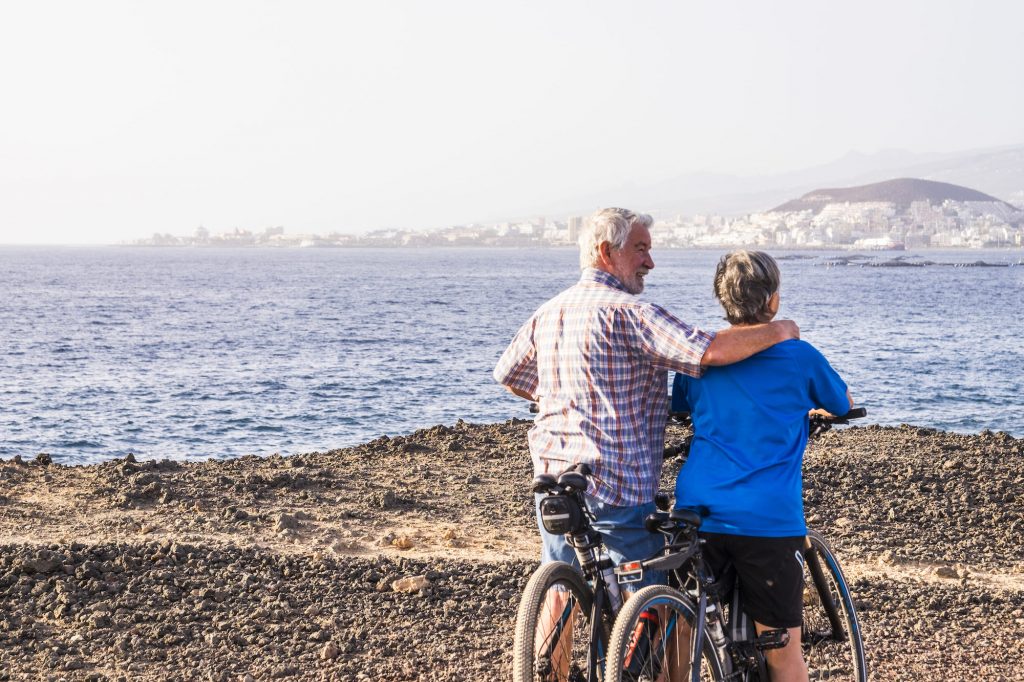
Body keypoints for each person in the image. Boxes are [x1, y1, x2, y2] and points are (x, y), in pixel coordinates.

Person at [493, 208, 800, 589]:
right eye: (640, 249)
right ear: (607, 252)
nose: (650, 262)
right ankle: (643, 647)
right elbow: (710, 351)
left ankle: (541, 652)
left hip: (553, 477)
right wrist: (781, 330)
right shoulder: (633, 313)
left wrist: (563, 398)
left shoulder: (549, 311)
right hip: (617, 483)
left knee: (561, 588)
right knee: (648, 594)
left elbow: (509, 375)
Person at [671, 250, 853, 682]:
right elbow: (841, 403)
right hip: (767, 519)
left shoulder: (701, 358)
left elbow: (681, 406)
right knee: (783, 651)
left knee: (684, 635)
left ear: (723, 300)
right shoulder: (798, 356)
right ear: (771, 299)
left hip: (698, 510)